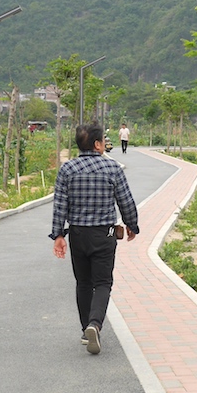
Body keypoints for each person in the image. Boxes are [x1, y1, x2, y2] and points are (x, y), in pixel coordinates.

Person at [50, 122, 139, 354]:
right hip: (104, 234)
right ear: (98, 144)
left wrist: (58, 234)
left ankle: (85, 329)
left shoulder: (67, 170)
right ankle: (95, 325)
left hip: (78, 234)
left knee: (83, 283)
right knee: (102, 283)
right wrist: (132, 225)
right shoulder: (112, 169)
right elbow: (125, 201)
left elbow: (60, 204)